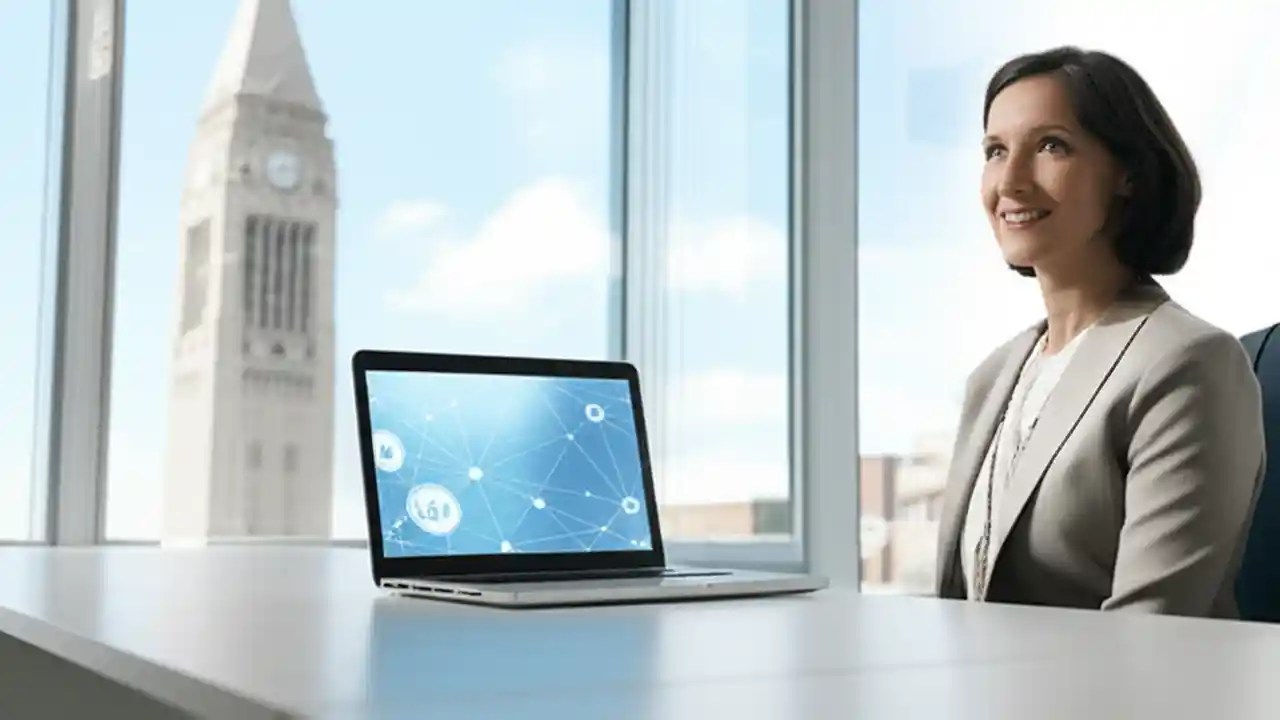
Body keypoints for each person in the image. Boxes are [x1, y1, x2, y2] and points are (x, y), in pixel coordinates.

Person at [933, 46, 1266, 617]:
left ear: (1128, 174)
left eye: (1049, 146)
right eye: (995, 151)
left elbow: (1152, 631)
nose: (1010, 181)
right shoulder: (992, 377)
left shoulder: (1187, 362)